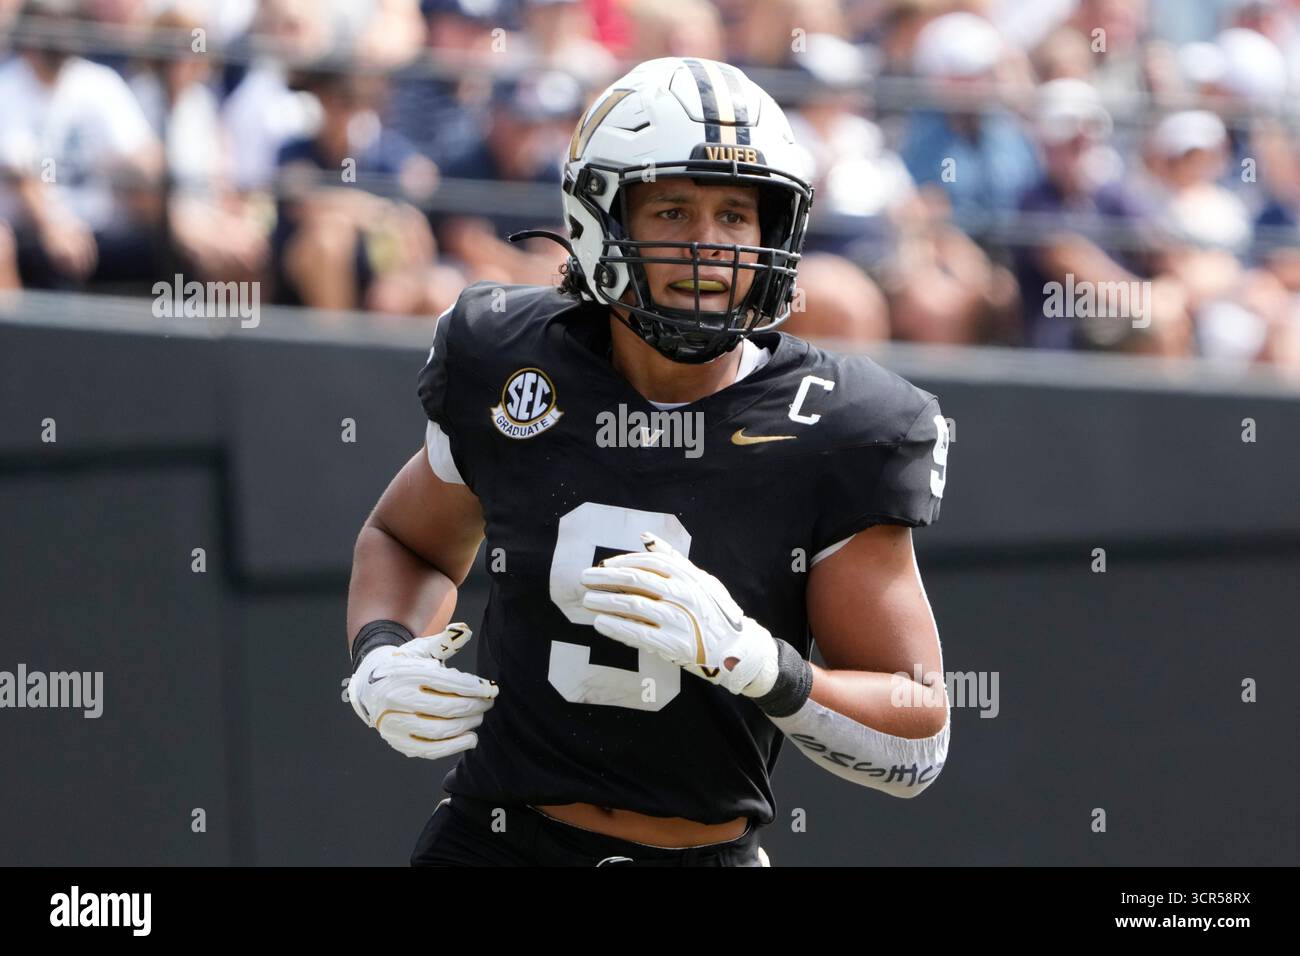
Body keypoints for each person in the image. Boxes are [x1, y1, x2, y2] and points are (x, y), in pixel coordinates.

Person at [344, 56, 953, 867]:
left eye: (735, 215)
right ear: (599, 218)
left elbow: (918, 740)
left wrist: (761, 665)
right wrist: (381, 654)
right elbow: (406, 540)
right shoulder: (511, 360)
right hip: (496, 841)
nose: (710, 247)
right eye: (672, 211)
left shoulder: (837, 425)